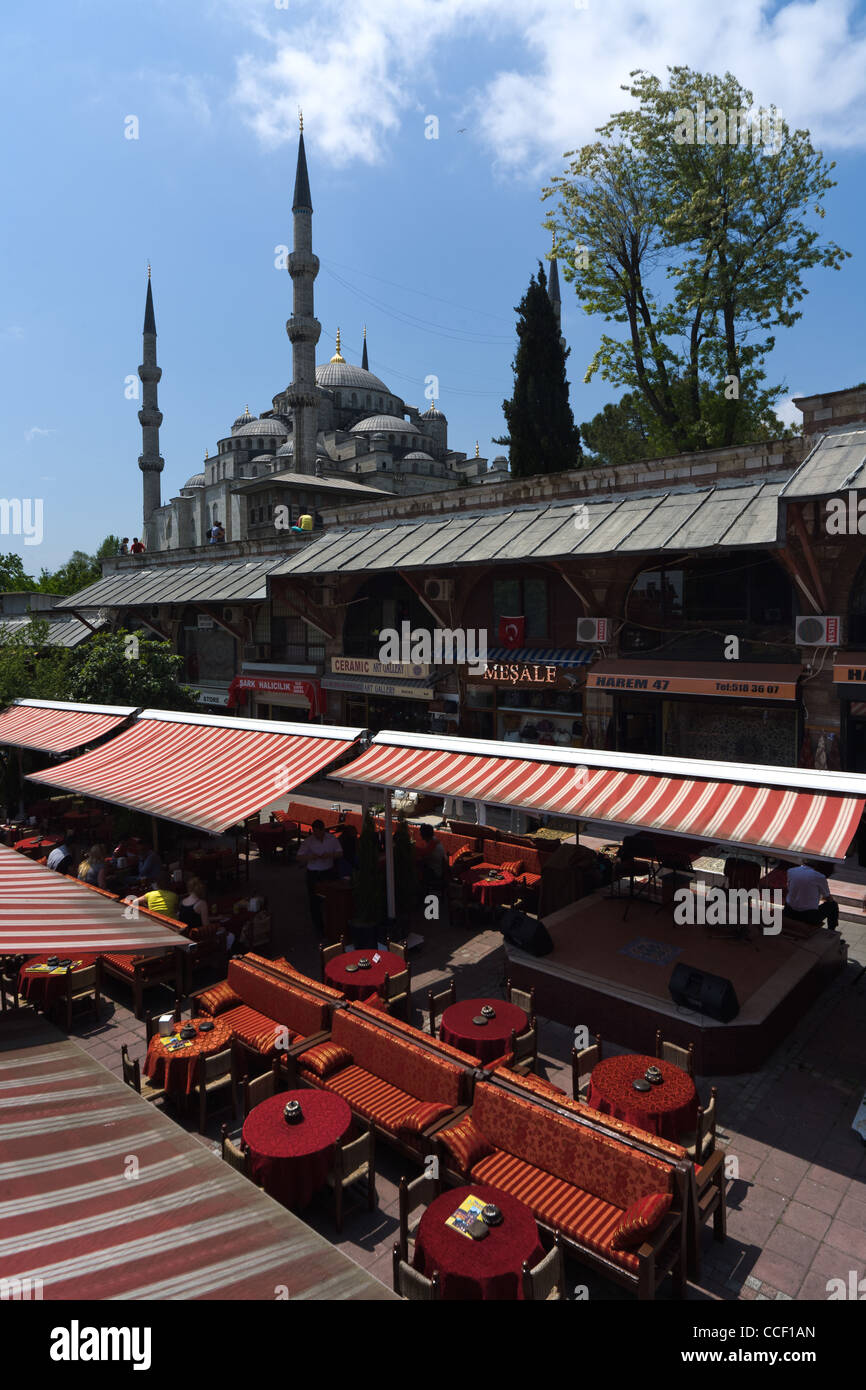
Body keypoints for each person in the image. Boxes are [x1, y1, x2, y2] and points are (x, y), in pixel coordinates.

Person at [297, 819, 342, 932]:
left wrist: (329, 855)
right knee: (314, 901)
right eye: (314, 832)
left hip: (328, 872)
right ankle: (319, 928)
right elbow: (299, 857)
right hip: (314, 873)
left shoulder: (331, 839)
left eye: (318, 832)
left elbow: (340, 853)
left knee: (331, 899)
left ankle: (332, 925)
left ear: (323, 830)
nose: (316, 835)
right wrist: (310, 857)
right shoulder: (309, 841)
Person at [784, 858, 839, 930]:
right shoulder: (819, 877)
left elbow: (790, 887)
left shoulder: (791, 871)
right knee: (833, 905)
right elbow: (828, 897)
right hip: (808, 916)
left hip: (789, 911)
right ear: (816, 864)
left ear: (803, 861)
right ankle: (831, 930)